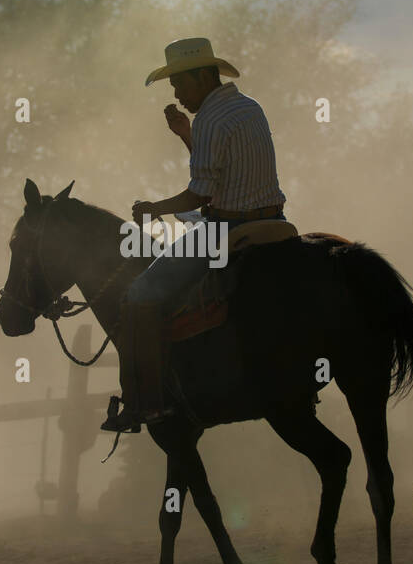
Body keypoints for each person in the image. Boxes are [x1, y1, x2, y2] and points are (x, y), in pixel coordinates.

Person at [102, 36, 286, 432]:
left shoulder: (210, 120)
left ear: (203, 76)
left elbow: (200, 193)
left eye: (180, 84)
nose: (177, 94)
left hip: (226, 228)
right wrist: (187, 134)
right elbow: (220, 171)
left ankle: (146, 403)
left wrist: (154, 208)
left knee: (140, 294)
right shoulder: (248, 108)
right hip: (274, 219)